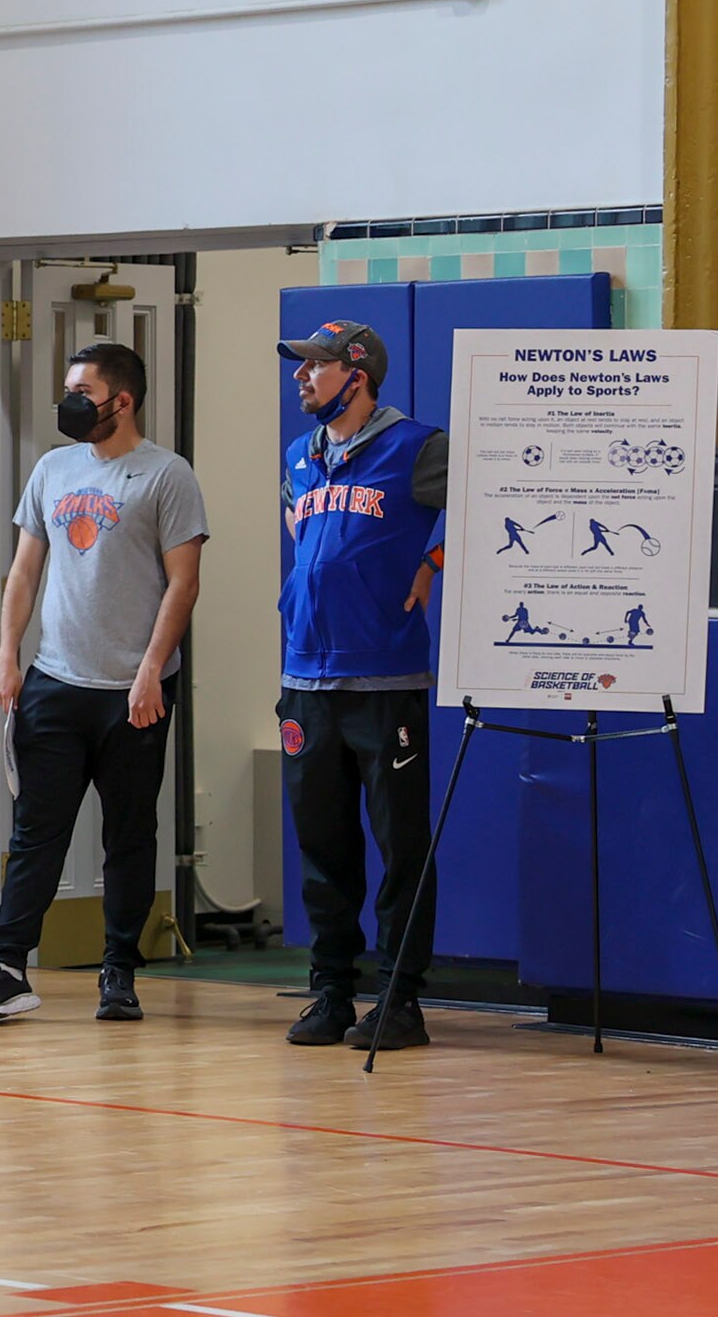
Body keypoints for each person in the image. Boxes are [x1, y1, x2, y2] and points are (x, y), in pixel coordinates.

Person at [0, 342, 208, 1027]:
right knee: (37, 831)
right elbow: (23, 573)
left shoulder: (167, 475)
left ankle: (119, 970)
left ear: (120, 400)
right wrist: (8, 654)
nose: (69, 403)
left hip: (134, 691)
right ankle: (6, 967)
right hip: (56, 682)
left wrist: (150, 672)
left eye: (81, 391)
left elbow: (183, 584)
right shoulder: (52, 468)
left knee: (129, 837)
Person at [277, 320, 449, 1050]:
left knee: (401, 845)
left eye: (313, 366)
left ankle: (401, 998)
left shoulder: (419, 447)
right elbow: (304, 536)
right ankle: (331, 992)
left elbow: (497, 513)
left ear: (357, 373)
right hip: (306, 678)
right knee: (324, 848)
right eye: (300, 367)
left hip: (386, 679)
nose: (300, 377)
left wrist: (432, 560)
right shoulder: (301, 455)